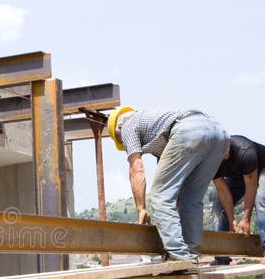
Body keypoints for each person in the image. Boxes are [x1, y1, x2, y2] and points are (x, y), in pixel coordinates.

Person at [107, 106, 229, 262]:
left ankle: (178, 255)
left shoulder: (127, 126)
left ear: (119, 128)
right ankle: (191, 255)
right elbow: (174, 187)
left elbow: (136, 169)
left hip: (188, 130)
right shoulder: (157, 131)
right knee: (191, 200)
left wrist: (141, 208)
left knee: (159, 196)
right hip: (219, 134)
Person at [211, 134, 265, 265]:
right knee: (218, 208)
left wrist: (246, 219)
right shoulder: (209, 161)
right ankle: (221, 256)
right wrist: (231, 221)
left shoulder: (245, 152)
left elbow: (251, 187)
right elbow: (222, 191)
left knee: (261, 199)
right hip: (239, 176)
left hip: (262, 169)